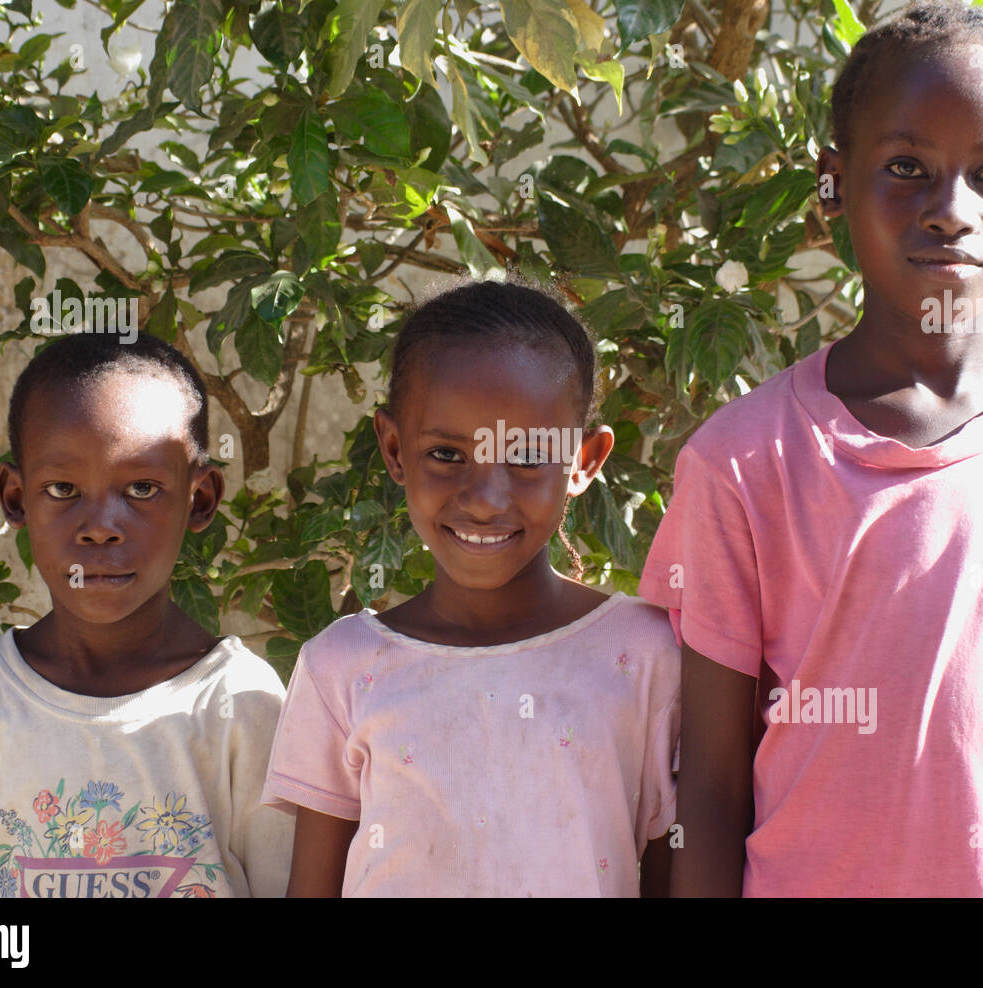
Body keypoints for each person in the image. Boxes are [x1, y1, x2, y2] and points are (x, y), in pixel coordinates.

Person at [640, 0, 983, 897]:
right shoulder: (740, 463)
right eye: (906, 168)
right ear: (834, 182)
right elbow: (711, 781)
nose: (950, 210)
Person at [262, 279, 680, 896]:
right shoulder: (342, 667)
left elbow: (675, 865)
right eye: (448, 455)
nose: (485, 500)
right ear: (395, 448)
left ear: (585, 462)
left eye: (529, 456)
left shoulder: (647, 657)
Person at [0, 331, 293, 897]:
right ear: (16, 497)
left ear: (200, 499)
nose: (101, 525)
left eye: (143, 488)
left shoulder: (240, 705)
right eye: (63, 488)